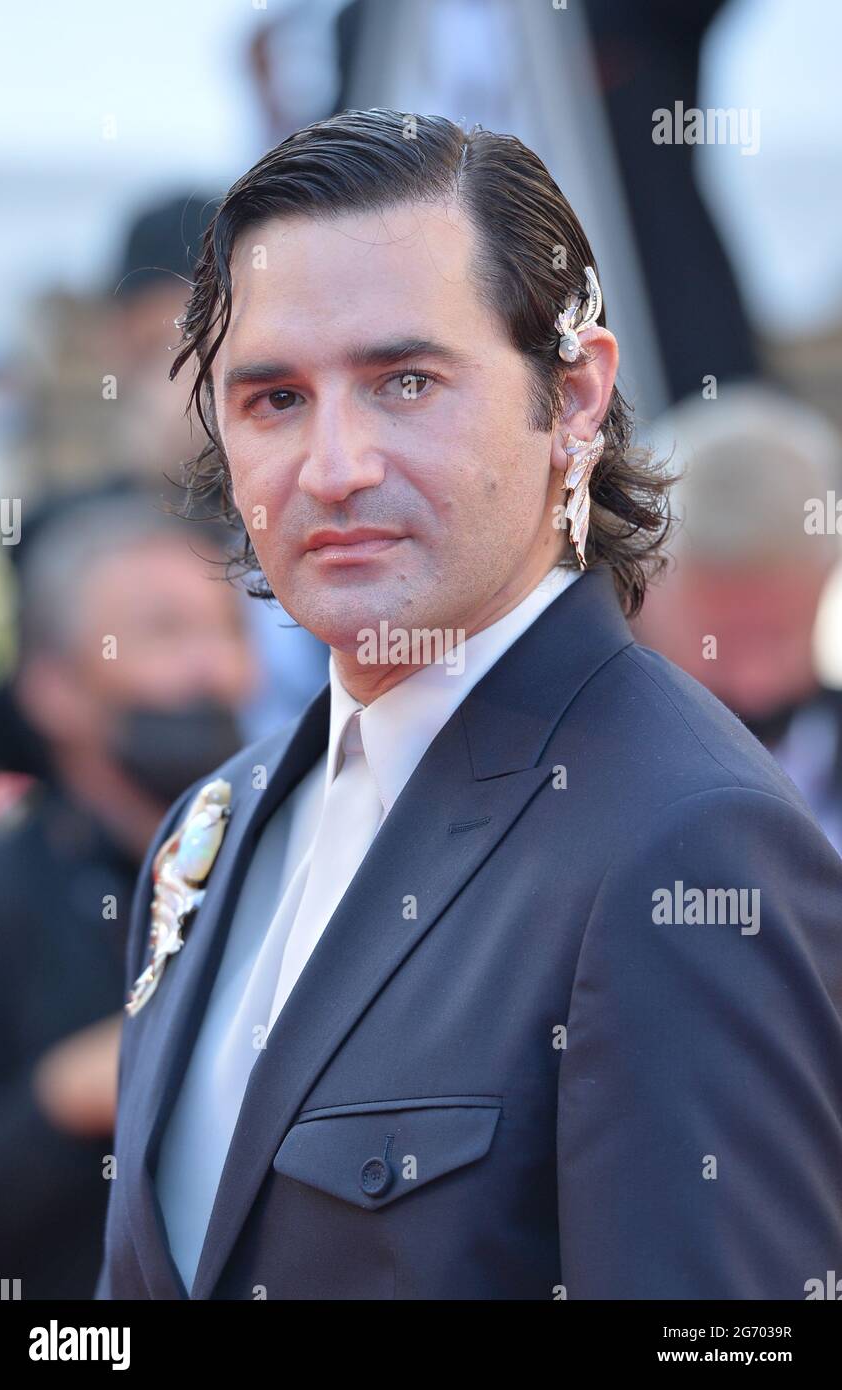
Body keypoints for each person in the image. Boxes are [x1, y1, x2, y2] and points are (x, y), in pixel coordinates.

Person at [96, 110, 842, 1302]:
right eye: (274, 398)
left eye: (404, 381)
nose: (334, 466)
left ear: (575, 395)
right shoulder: (214, 827)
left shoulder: (684, 842)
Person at [0, 493, 254, 1298]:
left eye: (230, 632)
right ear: (54, 688)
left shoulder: (304, 848)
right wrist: (62, 1099)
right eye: (165, 633)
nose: (214, 669)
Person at [636, 383, 842, 855]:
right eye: (719, 641)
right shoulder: (576, 778)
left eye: (777, 637)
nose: (754, 684)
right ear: (642, 600)